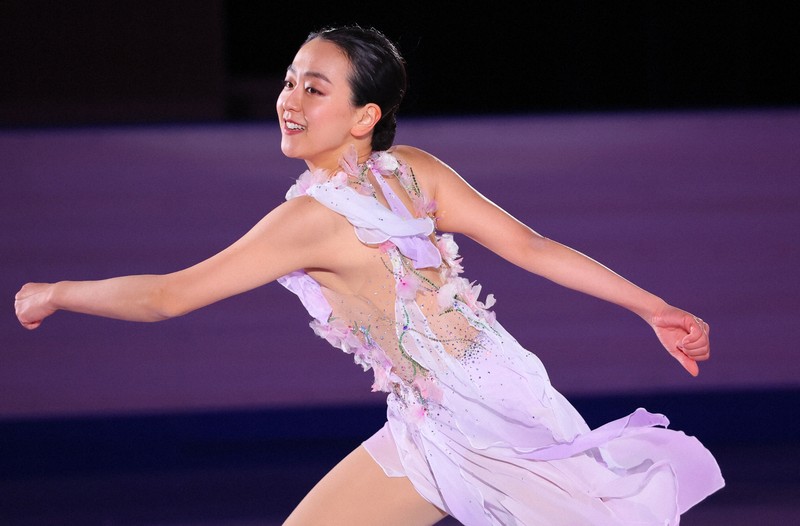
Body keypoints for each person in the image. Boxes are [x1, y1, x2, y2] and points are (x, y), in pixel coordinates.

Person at [15, 24, 724, 525]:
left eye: (315, 88)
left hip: (492, 427)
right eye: (290, 81)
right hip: (461, 411)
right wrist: (649, 305)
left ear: (365, 115)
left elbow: (169, 297)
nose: (289, 100)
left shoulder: (313, 219)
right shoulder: (411, 171)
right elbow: (534, 247)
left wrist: (57, 293)